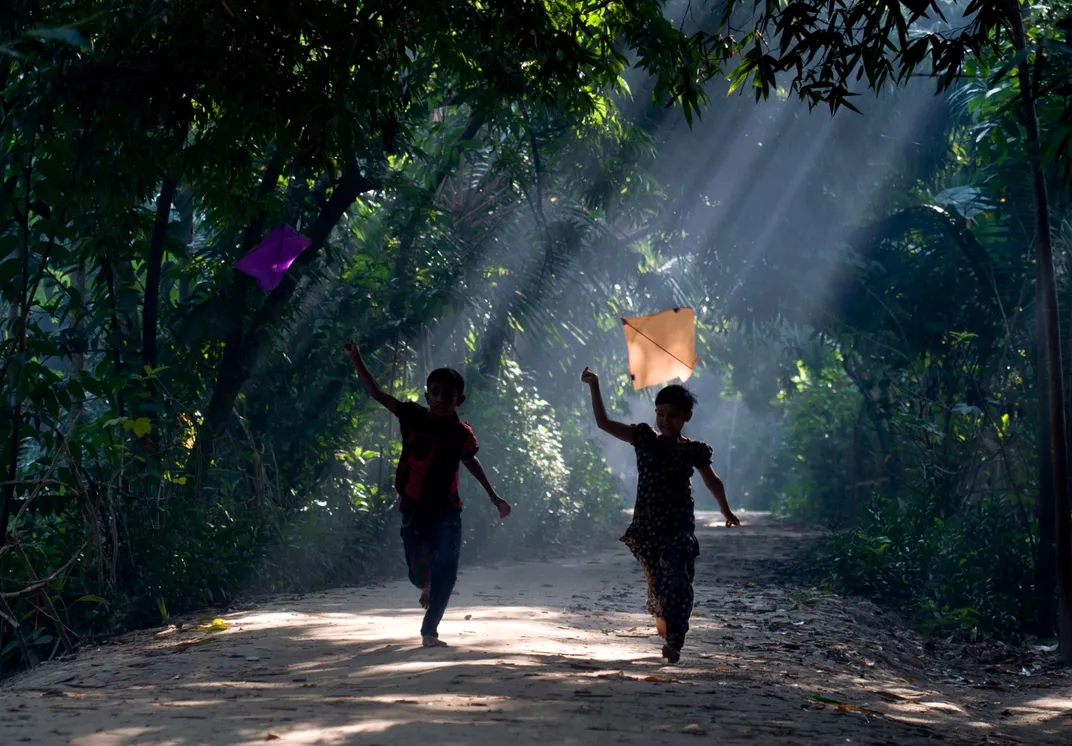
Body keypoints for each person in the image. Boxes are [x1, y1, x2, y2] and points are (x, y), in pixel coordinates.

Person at [345, 339, 511, 648]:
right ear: (427, 396)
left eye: (448, 395)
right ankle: (426, 584)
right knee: (418, 572)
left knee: (447, 569)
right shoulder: (413, 416)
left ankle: (429, 631)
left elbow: (470, 461)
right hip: (413, 509)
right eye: (435, 393)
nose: (441, 400)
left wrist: (494, 496)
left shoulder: (461, 434)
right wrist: (357, 359)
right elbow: (378, 394)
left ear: (459, 400)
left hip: (448, 511)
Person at [581, 367, 739, 663]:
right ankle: (661, 612)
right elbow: (604, 423)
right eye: (661, 414)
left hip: (679, 528)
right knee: (658, 585)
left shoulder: (694, 451)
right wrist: (595, 386)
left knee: (678, 578)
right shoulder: (644, 438)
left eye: (673, 416)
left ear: (687, 417)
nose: (666, 421)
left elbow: (712, 482)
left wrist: (726, 510)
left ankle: (675, 642)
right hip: (646, 530)